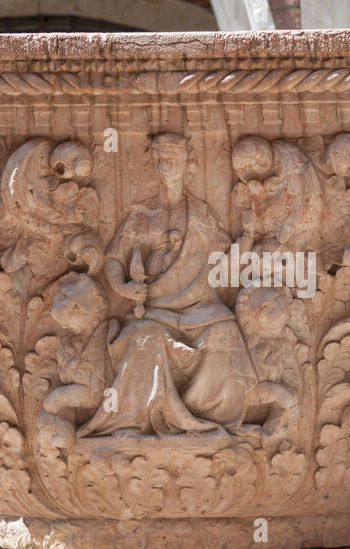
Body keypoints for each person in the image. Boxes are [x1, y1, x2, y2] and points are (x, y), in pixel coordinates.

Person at [79, 133, 257, 437]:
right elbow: (113, 259)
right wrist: (123, 288)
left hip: (201, 309)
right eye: (160, 160)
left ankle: (206, 417)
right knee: (145, 337)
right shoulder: (141, 215)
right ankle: (137, 420)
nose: (166, 167)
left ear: (188, 164)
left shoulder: (200, 214)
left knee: (226, 333)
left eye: (173, 160)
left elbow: (224, 265)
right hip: (155, 312)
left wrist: (249, 237)